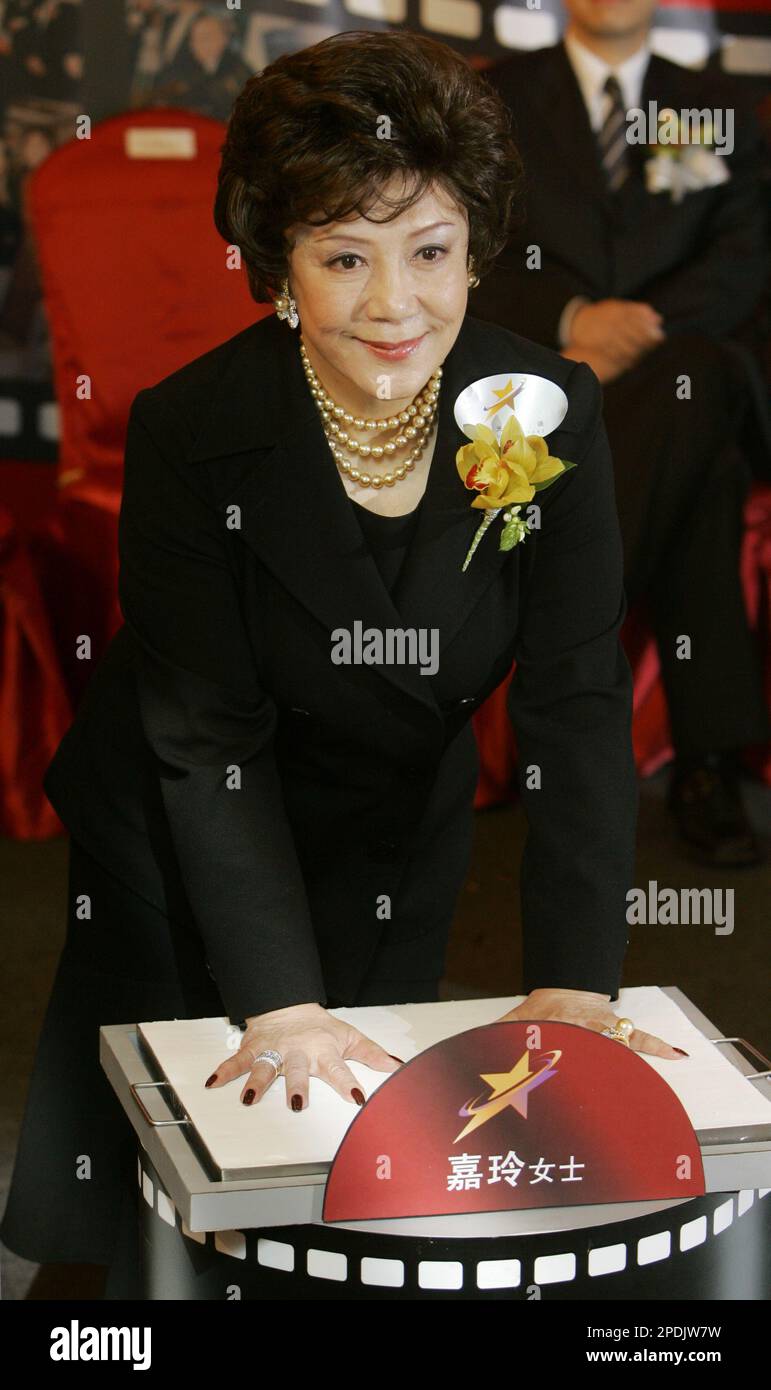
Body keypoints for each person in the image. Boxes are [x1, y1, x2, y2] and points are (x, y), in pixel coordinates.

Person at [1, 28, 686, 1299]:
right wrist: (276, 996)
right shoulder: (194, 431)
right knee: (157, 1203)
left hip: (386, 821)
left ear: (476, 250)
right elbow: (205, 735)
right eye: (344, 258)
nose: (395, 305)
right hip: (180, 823)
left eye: (430, 252)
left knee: (355, 1183)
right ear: (277, 271)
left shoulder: (543, 414)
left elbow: (578, 703)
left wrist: (572, 982)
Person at [471, 0, 771, 867]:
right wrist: (571, 325)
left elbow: (745, 248)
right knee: (702, 466)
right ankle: (707, 767)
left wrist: (629, 331)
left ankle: (549, 623)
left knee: (700, 377)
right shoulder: (495, 101)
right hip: (544, 377)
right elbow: (462, 241)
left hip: (671, 364)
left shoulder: (701, 101)